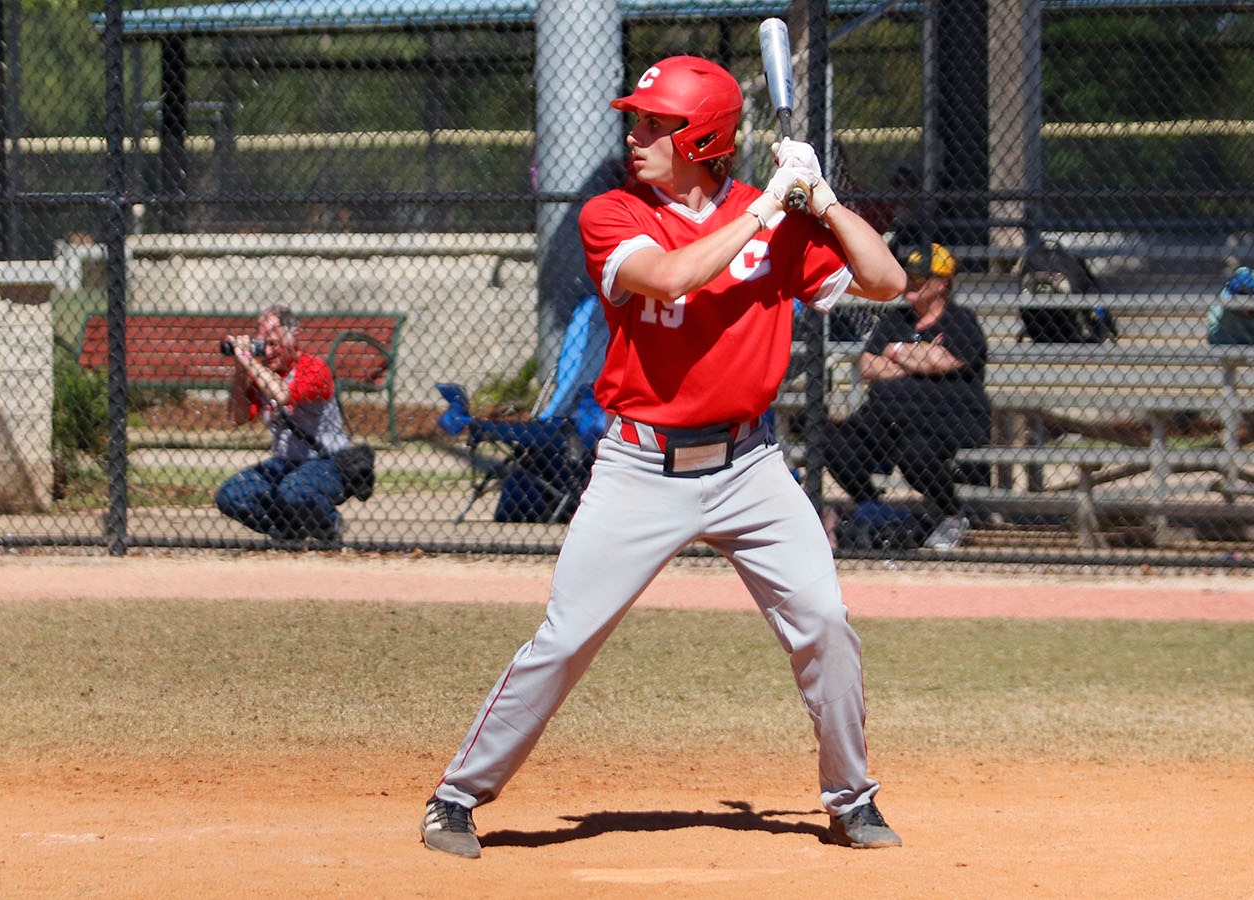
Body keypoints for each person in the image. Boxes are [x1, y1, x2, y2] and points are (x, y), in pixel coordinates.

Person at [418, 55, 908, 859]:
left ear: (703, 137)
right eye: (638, 120)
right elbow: (674, 278)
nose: (635, 134)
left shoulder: (777, 212)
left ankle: (851, 798)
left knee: (824, 621)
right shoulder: (613, 213)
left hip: (751, 469)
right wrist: (763, 218)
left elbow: (885, 280)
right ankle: (456, 796)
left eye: (655, 124)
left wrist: (818, 198)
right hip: (641, 467)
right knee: (568, 636)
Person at [825, 242, 990, 550]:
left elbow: (948, 361)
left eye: (919, 278)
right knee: (833, 442)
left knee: (915, 453)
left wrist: (896, 351)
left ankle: (952, 515)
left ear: (941, 284)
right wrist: (919, 358)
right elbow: (868, 365)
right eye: (908, 276)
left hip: (943, 418)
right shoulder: (895, 319)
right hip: (883, 416)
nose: (910, 284)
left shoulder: (961, 320)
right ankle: (874, 507)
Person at [214, 305, 349, 543]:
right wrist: (240, 367)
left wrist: (248, 359)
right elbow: (238, 417)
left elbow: (284, 395)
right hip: (285, 464)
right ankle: (287, 533)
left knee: (294, 490)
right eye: (262, 344)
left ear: (293, 338)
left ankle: (330, 527)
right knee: (230, 495)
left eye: (274, 343)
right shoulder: (262, 373)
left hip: (328, 463)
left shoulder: (314, 367)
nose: (267, 351)